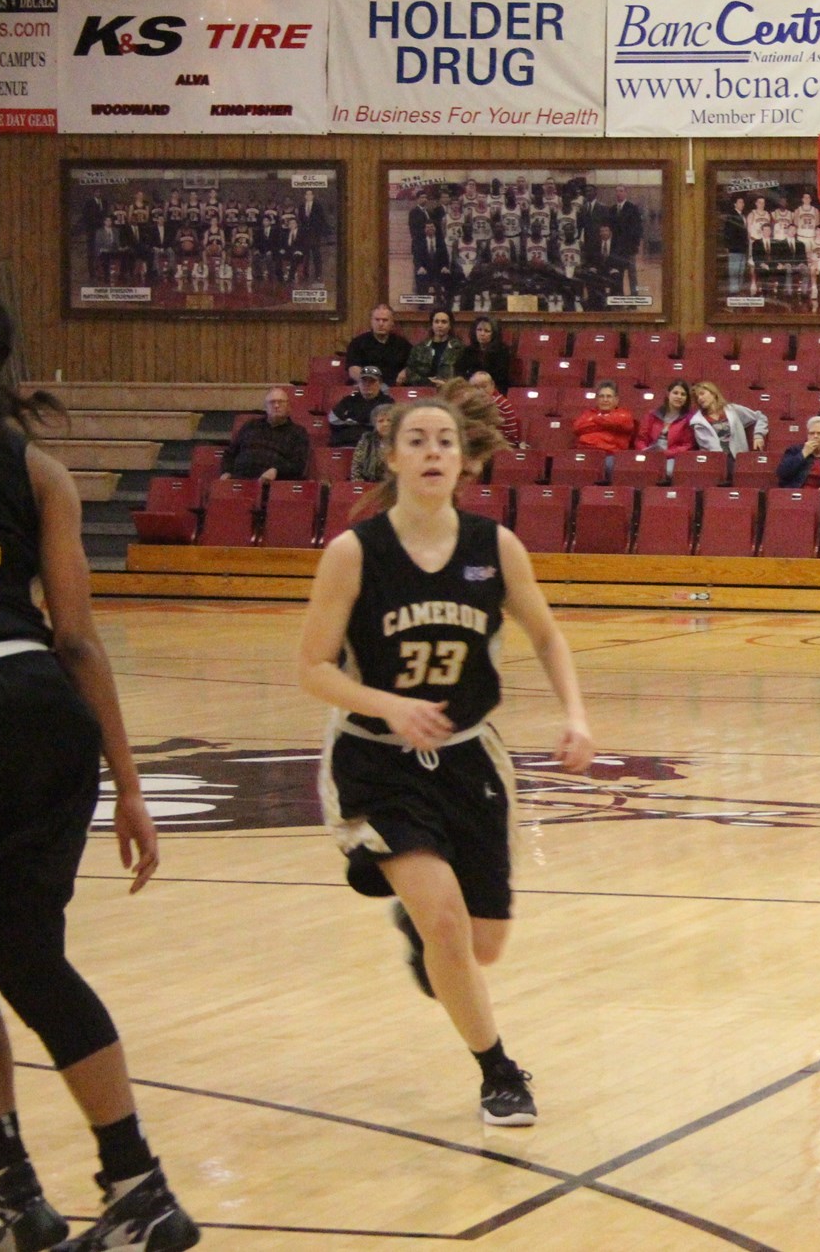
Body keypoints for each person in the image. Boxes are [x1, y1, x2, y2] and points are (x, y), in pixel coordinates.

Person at [0, 286, 201, 1252]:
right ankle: (137, 1182)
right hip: (38, 708)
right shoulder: (41, 471)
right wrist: (130, 782)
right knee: (27, 953)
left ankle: (16, 1191)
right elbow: (79, 639)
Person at [296, 384, 594, 1127]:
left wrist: (577, 715)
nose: (432, 451)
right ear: (392, 457)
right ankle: (499, 1072)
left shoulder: (494, 546)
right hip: (376, 759)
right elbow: (313, 667)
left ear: (465, 461)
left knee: (481, 945)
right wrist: (390, 704)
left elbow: (548, 636)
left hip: (468, 756)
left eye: (445, 441)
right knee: (449, 926)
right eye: (418, 440)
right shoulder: (352, 553)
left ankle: (420, 927)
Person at [223, 386, 311, 482]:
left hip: (273, 485)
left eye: (281, 402)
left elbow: (298, 465)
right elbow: (230, 453)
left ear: (289, 407)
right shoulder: (250, 426)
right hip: (239, 480)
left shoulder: (298, 432)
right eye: (272, 402)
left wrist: (277, 470)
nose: (276, 406)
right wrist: (226, 471)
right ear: (265, 407)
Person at [687, 381, 768, 456]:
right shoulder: (698, 422)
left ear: (713, 393)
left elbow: (760, 416)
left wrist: (758, 435)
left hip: (738, 459)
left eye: (702, 394)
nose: (700, 398)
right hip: (715, 462)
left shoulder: (732, 410)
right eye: (697, 397)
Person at [327, 367, 393, 448]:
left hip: (375, 446)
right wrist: (366, 423)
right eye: (363, 381)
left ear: (380, 384)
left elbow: (387, 427)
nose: (367, 384)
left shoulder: (387, 402)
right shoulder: (348, 400)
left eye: (372, 381)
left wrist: (353, 421)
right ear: (358, 383)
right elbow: (333, 421)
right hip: (347, 443)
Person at [346, 304, 412, 382]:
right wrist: (369, 383)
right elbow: (353, 370)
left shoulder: (403, 344)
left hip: (395, 387)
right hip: (366, 387)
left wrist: (405, 372)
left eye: (385, 320)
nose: (381, 324)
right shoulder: (357, 343)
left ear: (392, 323)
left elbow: (412, 365)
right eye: (377, 320)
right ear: (371, 321)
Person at [399, 309, 465, 386]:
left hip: (449, 389)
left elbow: (462, 375)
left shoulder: (458, 348)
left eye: (444, 322)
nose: (440, 325)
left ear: (450, 325)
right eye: (436, 322)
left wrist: (447, 384)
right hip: (423, 388)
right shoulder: (419, 348)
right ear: (432, 325)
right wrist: (427, 381)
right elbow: (410, 372)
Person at [635, 381, 697, 459]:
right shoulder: (652, 415)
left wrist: (667, 453)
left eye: (683, 394)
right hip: (650, 455)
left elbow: (687, 445)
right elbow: (641, 439)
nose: (679, 397)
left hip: (674, 457)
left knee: (668, 470)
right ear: (668, 394)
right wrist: (644, 451)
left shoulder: (689, 418)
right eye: (675, 393)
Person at [572, 380, 636, 453]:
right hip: (584, 452)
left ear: (616, 400)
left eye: (609, 397)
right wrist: (605, 425)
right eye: (601, 396)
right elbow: (577, 427)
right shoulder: (589, 413)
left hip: (610, 455)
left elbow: (620, 423)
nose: (605, 400)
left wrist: (594, 420)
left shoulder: (624, 415)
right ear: (597, 399)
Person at [458, 316, 514, 394]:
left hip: (493, 390)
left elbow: (500, 378)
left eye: (486, 331)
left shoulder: (502, 351)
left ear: (494, 333)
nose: (482, 334)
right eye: (479, 330)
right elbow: (461, 372)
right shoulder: (468, 350)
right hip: (470, 389)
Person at [467, 372, 519, 448]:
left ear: (492, 385)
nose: (480, 391)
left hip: (503, 447)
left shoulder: (495, 403)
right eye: (476, 387)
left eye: (484, 386)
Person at [352, 401, 394, 482]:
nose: (385, 424)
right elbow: (356, 467)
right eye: (381, 421)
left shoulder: (402, 440)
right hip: (368, 485)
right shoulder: (367, 439)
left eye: (389, 420)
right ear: (375, 424)